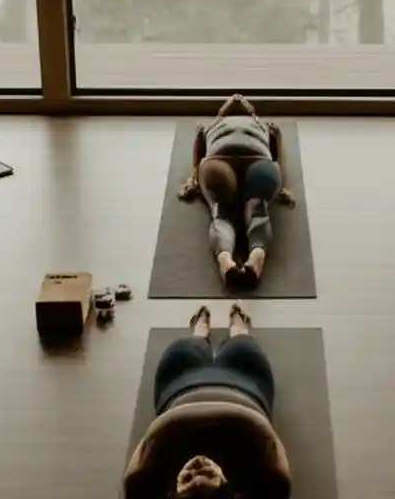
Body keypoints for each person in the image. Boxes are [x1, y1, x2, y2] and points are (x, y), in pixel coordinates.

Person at [124, 303, 290, 499]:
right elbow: (273, 446)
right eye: (208, 474)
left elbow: (144, 447)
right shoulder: (261, 480)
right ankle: (238, 321)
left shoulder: (145, 483)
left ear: (172, 491)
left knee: (185, 349)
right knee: (242, 346)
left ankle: (200, 329)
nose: (197, 465)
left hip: (181, 385)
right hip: (244, 384)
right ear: (227, 486)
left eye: (188, 478)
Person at [179, 95, 295, 290]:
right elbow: (278, 145)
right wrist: (283, 182)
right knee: (258, 208)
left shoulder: (212, 125)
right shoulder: (263, 125)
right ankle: (257, 255)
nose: (237, 98)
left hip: (219, 161)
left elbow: (198, 146)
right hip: (259, 160)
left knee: (222, 212)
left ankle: (225, 260)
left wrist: (193, 178)